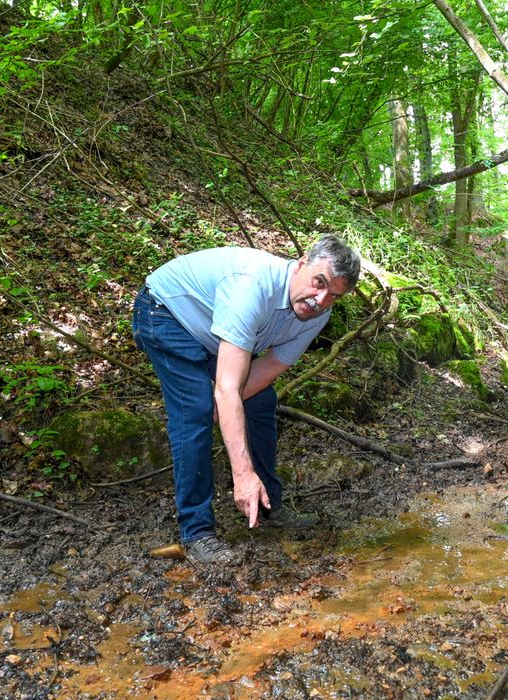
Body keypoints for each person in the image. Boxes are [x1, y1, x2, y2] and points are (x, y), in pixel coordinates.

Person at [132, 235, 361, 566]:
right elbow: (227, 387)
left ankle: (268, 505)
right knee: (194, 411)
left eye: (333, 296)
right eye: (318, 283)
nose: (320, 300)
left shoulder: (318, 316)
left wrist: (224, 410)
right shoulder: (252, 286)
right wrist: (242, 473)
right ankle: (197, 533)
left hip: (214, 331)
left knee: (259, 402)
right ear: (300, 265)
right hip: (165, 313)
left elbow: (265, 371)